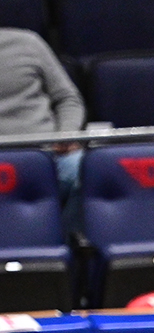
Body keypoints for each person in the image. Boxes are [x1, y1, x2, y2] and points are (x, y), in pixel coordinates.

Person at [0, 28, 84, 228]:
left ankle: (68, 245)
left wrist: (66, 134)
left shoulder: (28, 42)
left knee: (83, 170)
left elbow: (68, 99)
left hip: (47, 156)